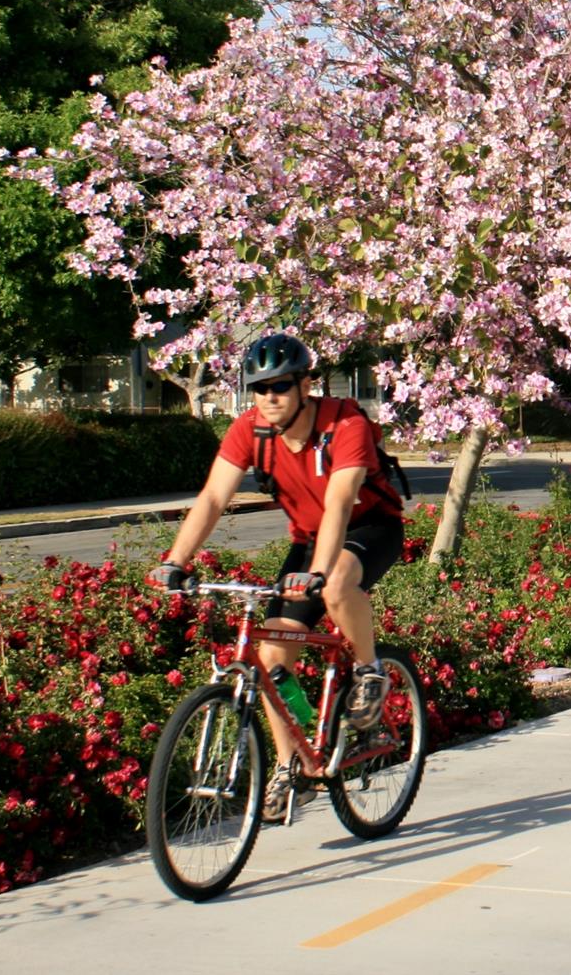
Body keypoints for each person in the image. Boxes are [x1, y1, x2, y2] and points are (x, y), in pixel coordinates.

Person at [150, 334, 405, 822]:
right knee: (269, 661)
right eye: (260, 388)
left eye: (281, 386)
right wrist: (175, 562)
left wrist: (316, 573)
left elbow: (340, 502)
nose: (269, 397)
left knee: (336, 584)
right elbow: (213, 498)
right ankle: (293, 766)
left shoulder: (344, 424)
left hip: (368, 527)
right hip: (310, 539)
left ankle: (370, 671)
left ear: (305, 386)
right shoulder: (250, 430)